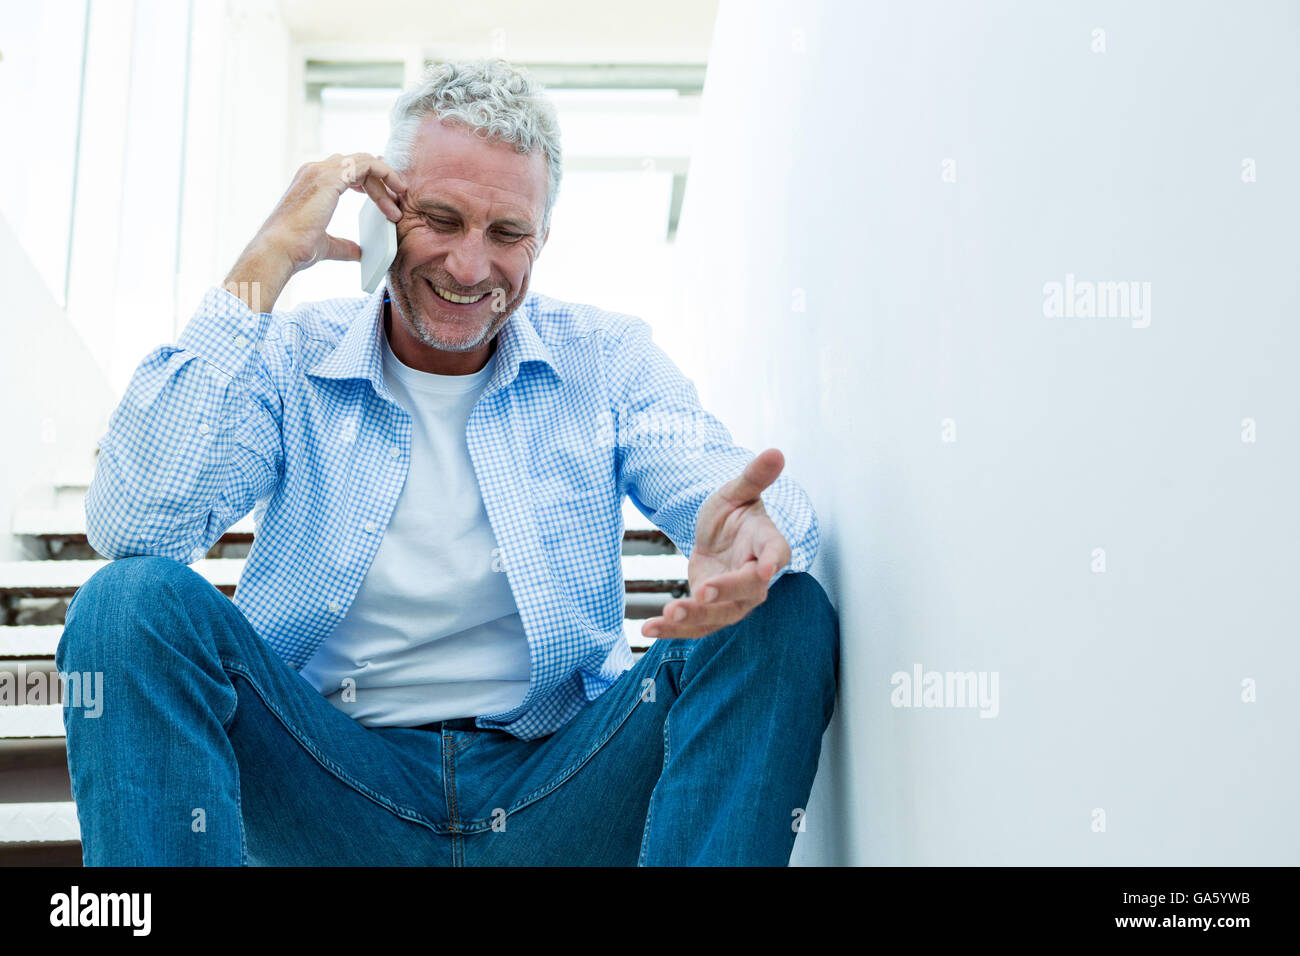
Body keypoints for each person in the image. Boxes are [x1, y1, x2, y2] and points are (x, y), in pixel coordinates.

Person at [58, 58, 839, 866]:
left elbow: (718, 480)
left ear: (542, 237)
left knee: (782, 609)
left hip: (560, 790)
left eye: (507, 234)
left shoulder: (604, 356)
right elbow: (132, 524)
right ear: (382, 214)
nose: (471, 268)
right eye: (441, 219)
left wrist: (751, 532)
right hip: (332, 790)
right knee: (129, 603)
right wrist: (269, 259)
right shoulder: (291, 355)